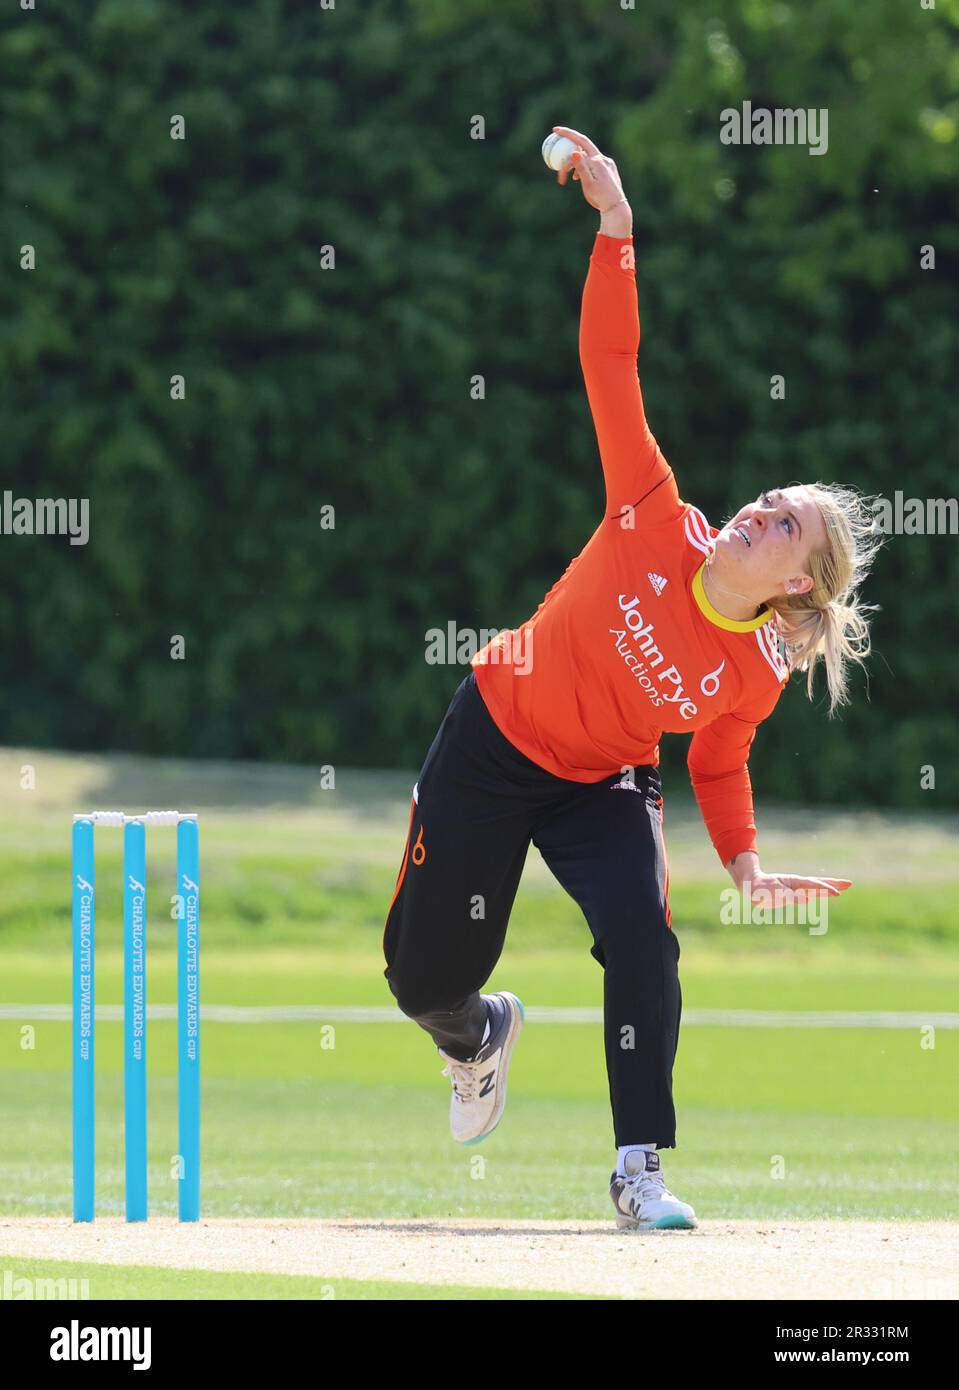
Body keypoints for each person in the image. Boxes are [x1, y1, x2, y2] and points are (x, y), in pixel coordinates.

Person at [382, 125, 882, 1231]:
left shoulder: (752, 668)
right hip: (495, 726)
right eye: (773, 496)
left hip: (599, 779)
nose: (762, 507)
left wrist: (743, 866)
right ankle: (477, 1037)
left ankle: (637, 1168)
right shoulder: (648, 507)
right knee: (419, 980)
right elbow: (610, 364)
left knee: (644, 935)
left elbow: (720, 752)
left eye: (784, 522)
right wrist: (616, 228)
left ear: (793, 585)